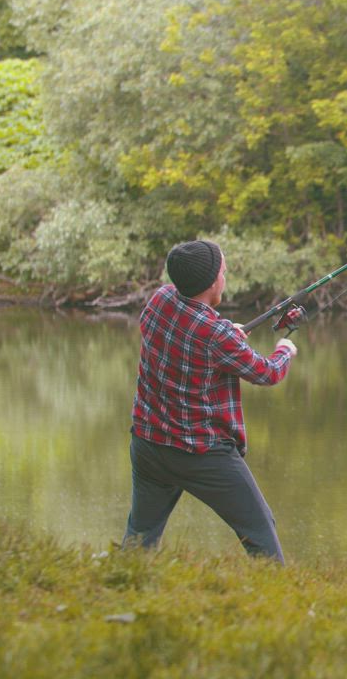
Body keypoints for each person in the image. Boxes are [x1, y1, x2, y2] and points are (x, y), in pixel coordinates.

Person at [124, 239, 298, 561]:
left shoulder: (161, 299)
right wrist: (285, 349)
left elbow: (190, 332)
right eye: (223, 271)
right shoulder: (218, 335)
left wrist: (227, 333)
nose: (225, 275)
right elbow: (267, 372)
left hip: (148, 442)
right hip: (200, 452)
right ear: (212, 282)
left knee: (140, 535)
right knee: (260, 530)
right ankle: (277, 598)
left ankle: (121, 585)